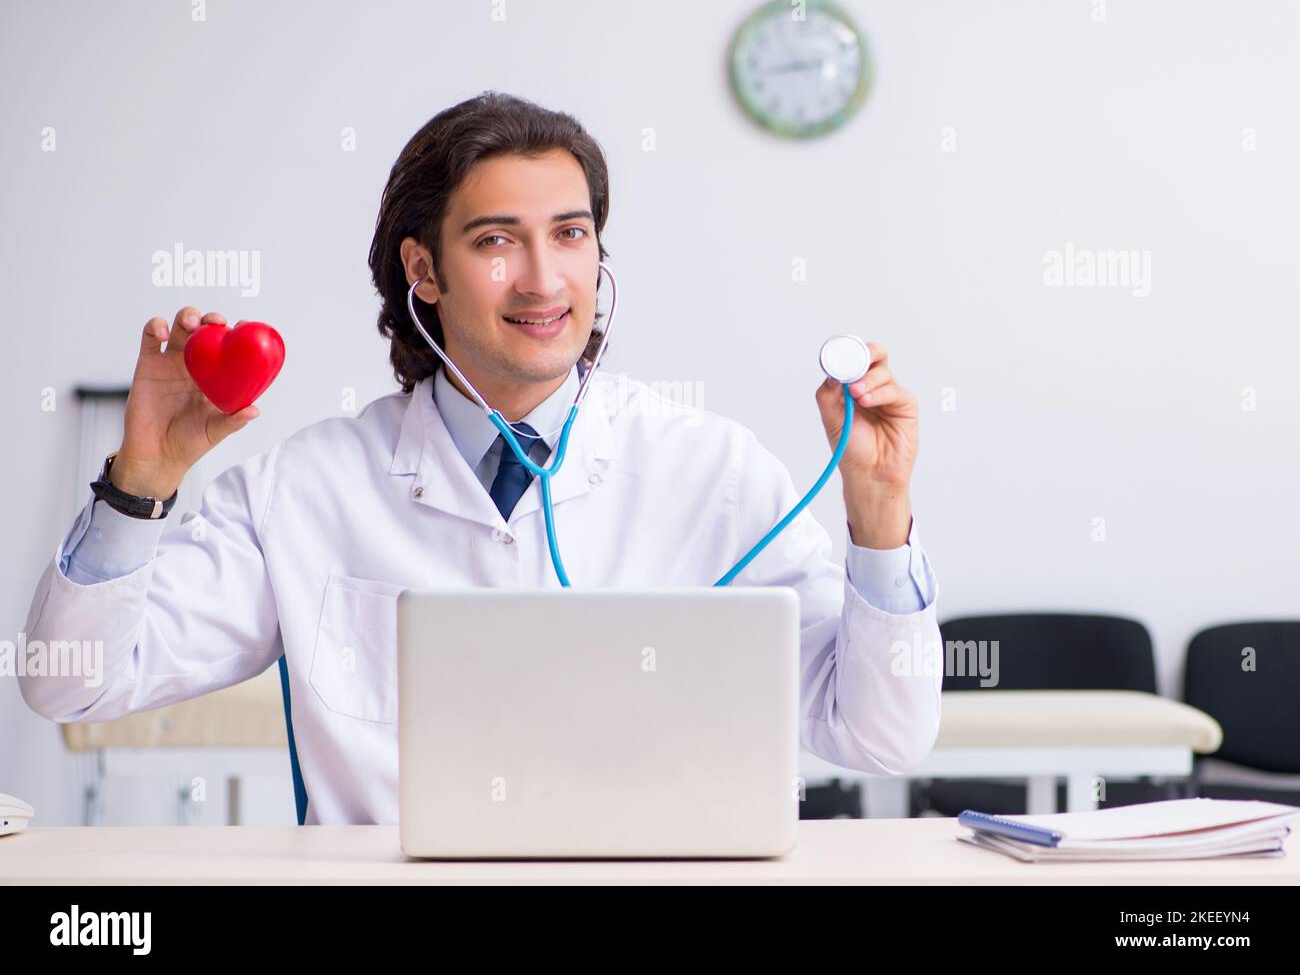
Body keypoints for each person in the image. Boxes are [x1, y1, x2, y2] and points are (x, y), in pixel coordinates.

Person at [20, 91, 941, 825]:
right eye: (497, 240)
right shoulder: (303, 487)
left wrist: (878, 515)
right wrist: (140, 480)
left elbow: (879, 735)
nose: (544, 279)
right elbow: (72, 682)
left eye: (571, 234)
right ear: (424, 272)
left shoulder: (714, 471)